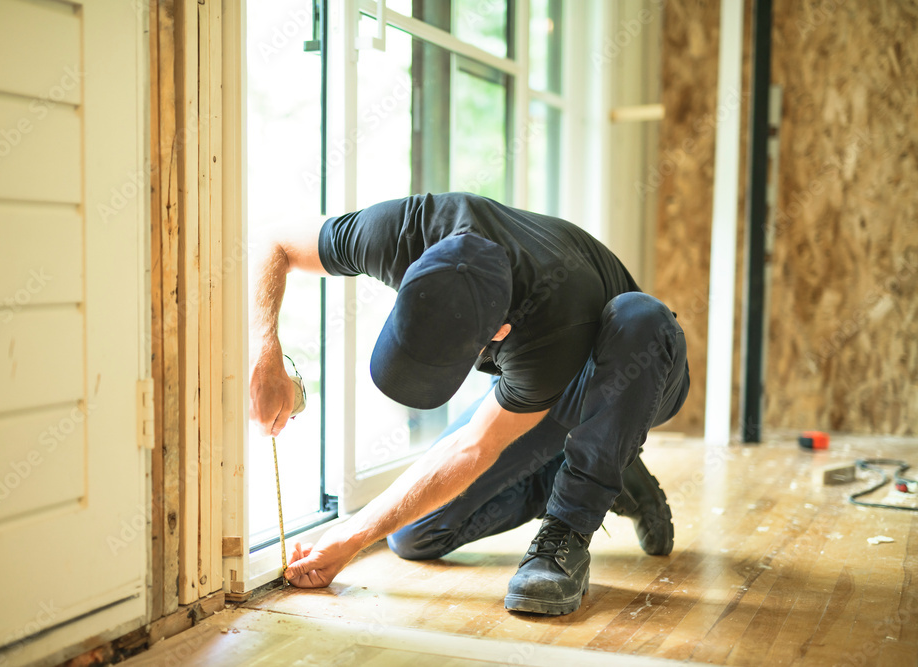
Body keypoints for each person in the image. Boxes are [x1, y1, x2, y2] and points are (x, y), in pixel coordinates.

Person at [249, 192, 689, 616]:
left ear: (498, 332)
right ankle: (609, 472)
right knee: (412, 535)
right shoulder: (406, 229)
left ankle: (570, 524)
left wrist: (352, 534)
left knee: (639, 317)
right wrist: (264, 348)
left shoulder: (551, 323)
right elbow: (276, 242)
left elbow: (475, 446)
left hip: (637, 376)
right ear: (404, 276)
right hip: (545, 382)